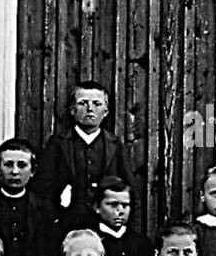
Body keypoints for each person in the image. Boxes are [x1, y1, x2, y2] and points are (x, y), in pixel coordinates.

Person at [33, 80, 138, 220]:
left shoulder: (115, 145)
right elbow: (42, 190)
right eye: (83, 103)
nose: (90, 109)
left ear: (105, 111)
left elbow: (131, 192)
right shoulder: (58, 143)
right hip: (67, 224)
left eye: (97, 104)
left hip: (106, 226)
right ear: (72, 110)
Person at [86, 177, 155, 256]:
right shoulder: (90, 242)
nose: (120, 211)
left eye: (125, 205)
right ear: (97, 207)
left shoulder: (140, 243)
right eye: (113, 205)